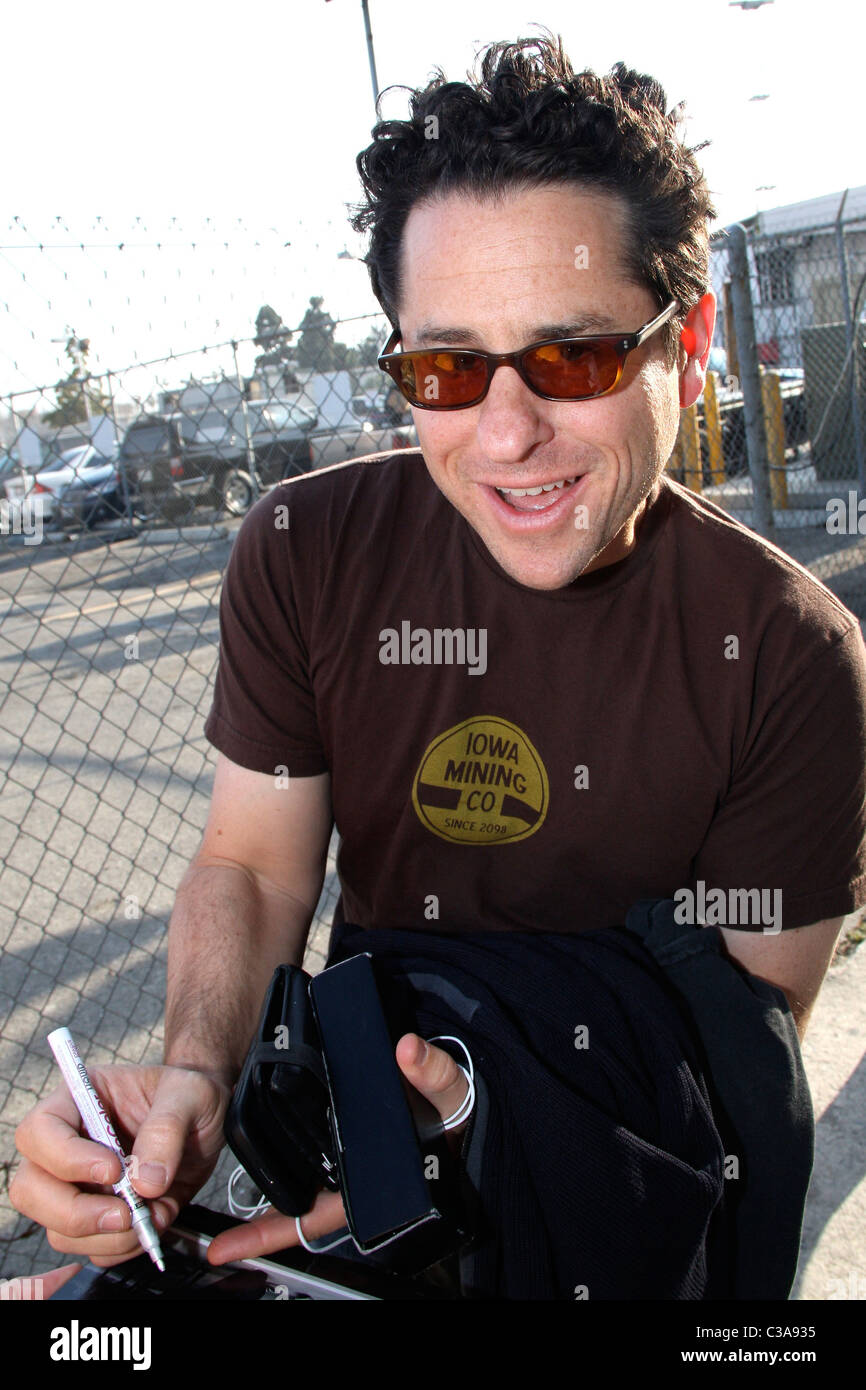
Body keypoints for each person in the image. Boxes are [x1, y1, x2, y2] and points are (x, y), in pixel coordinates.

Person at [11, 35, 866, 1293]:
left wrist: (476, 1118)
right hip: (343, 1177)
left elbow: (731, 1065)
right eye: (448, 368)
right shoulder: (306, 552)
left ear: (684, 341)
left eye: (571, 357)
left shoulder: (787, 654)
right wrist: (194, 1074)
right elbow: (251, 862)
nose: (506, 434)